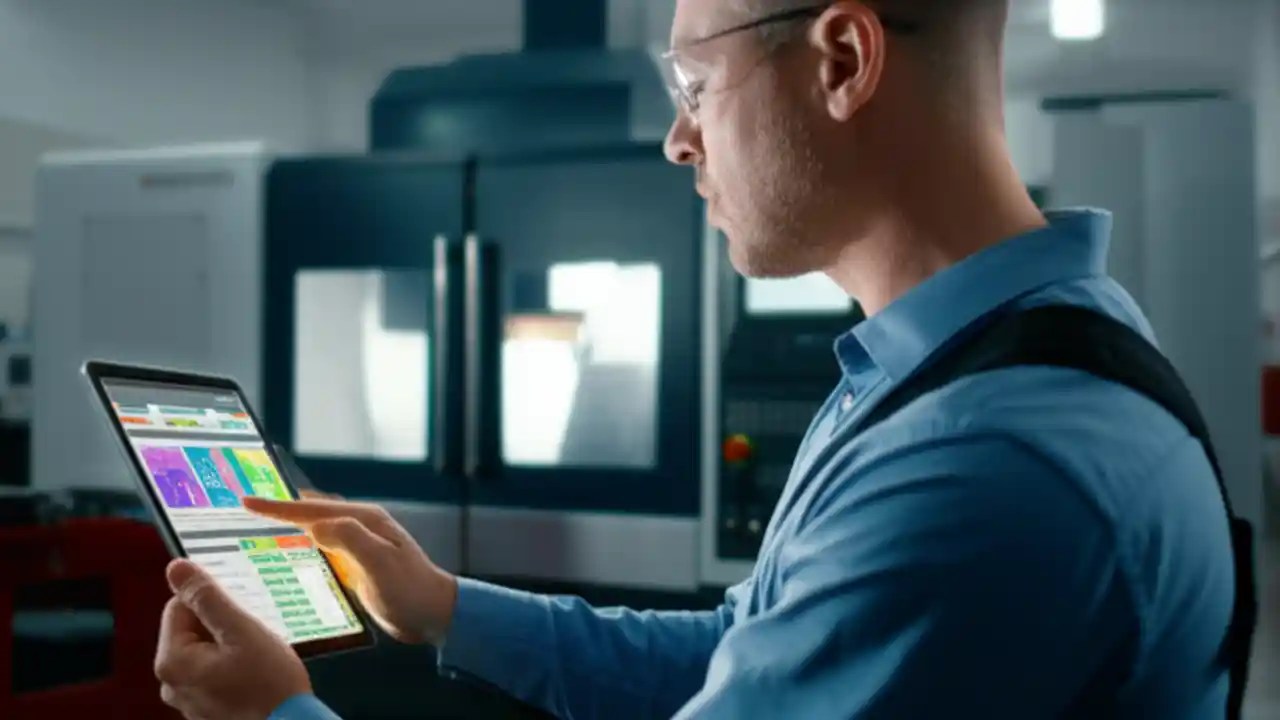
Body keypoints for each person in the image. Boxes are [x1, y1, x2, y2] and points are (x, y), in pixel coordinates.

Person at [153, 0, 1237, 718]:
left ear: (841, 62)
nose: (676, 141)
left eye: (691, 85)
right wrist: (442, 603)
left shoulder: (982, 460)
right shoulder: (973, 357)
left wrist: (273, 713)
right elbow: (745, 647)